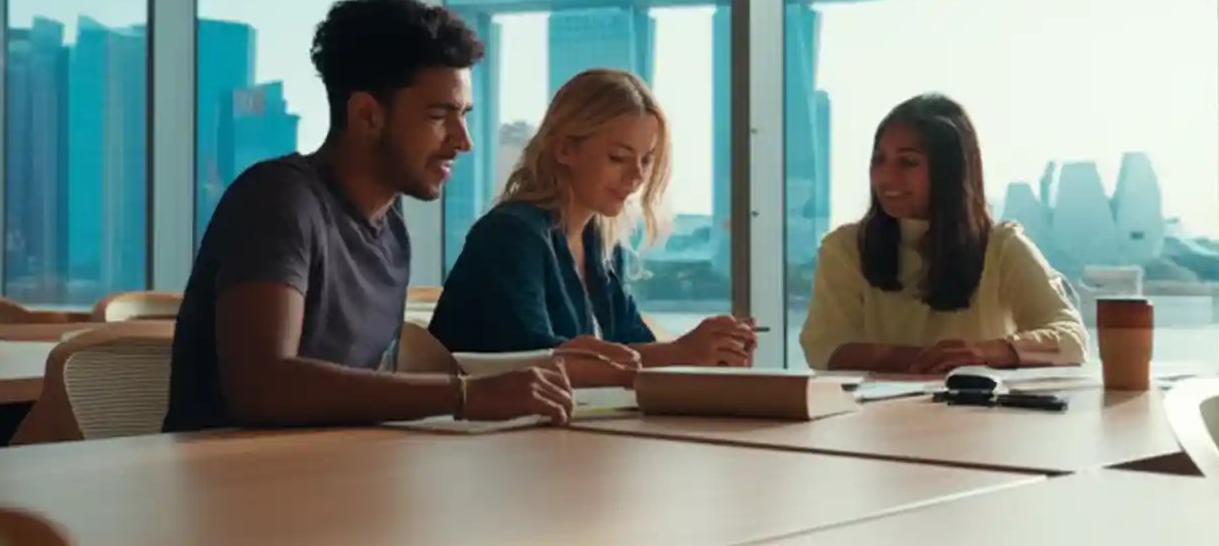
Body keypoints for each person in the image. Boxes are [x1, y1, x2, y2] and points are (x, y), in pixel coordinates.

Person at [163, 0, 575, 433]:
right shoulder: (279, 200)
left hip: (326, 477)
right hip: (229, 486)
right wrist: (466, 394)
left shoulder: (391, 229)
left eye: (464, 116)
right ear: (367, 115)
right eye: (440, 116)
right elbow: (263, 387)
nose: (463, 140)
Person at [430, 69, 758, 375]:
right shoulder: (509, 236)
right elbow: (537, 365)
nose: (637, 176)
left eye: (646, 160)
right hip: (466, 433)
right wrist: (680, 353)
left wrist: (707, 351)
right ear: (564, 150)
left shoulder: (598, 243)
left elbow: (629, 345)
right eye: (618, 158)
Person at [798, 93, 1089, 373]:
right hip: (874, 421)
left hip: (983, 419)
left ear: (950, 171)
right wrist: (931, 360)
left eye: (908, 162)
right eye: (879, 159)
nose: (885, 176)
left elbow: (1071, 337)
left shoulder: (1001, 247)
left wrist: (987, 353)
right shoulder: (845, 248)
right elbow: (825, 347)